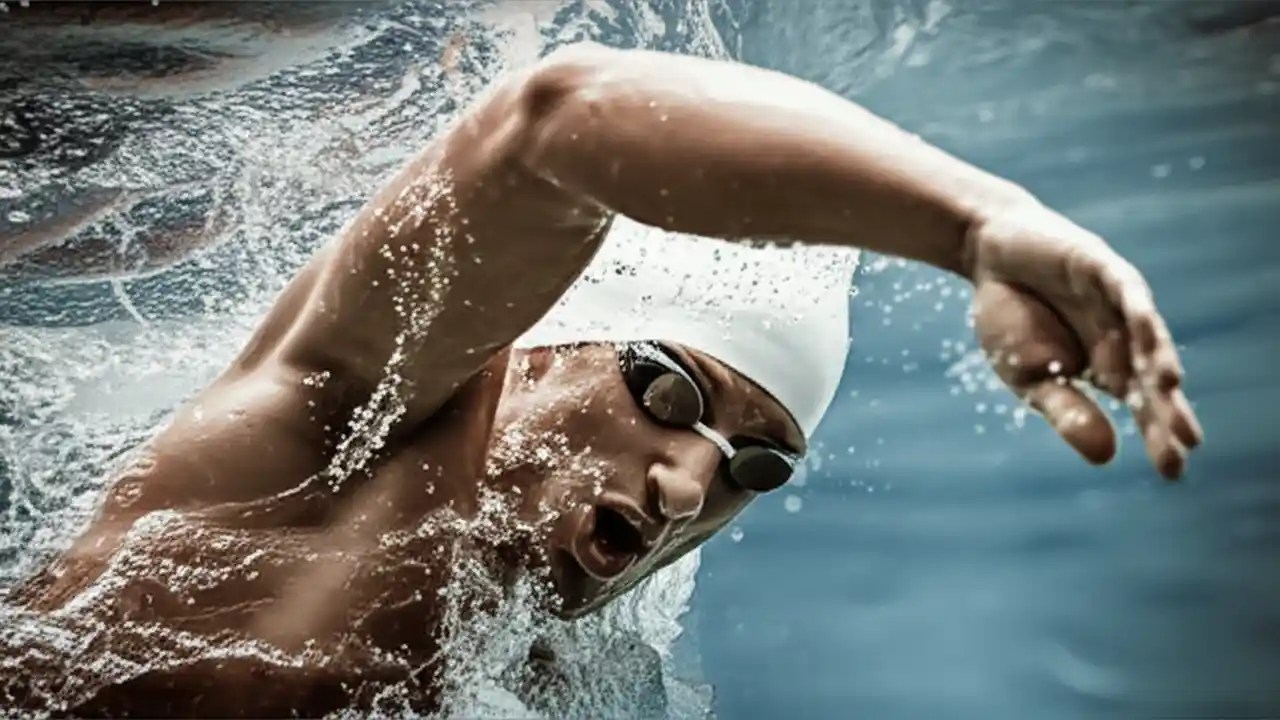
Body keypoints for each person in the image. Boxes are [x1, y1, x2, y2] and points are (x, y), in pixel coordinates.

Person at [3, 42, 1202, 716]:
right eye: (665, 391)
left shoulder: (556, 677)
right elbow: (552, 117)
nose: (690, 485)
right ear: (529, 339)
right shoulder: (310, 436)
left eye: (755, 465)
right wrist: (978, 225)